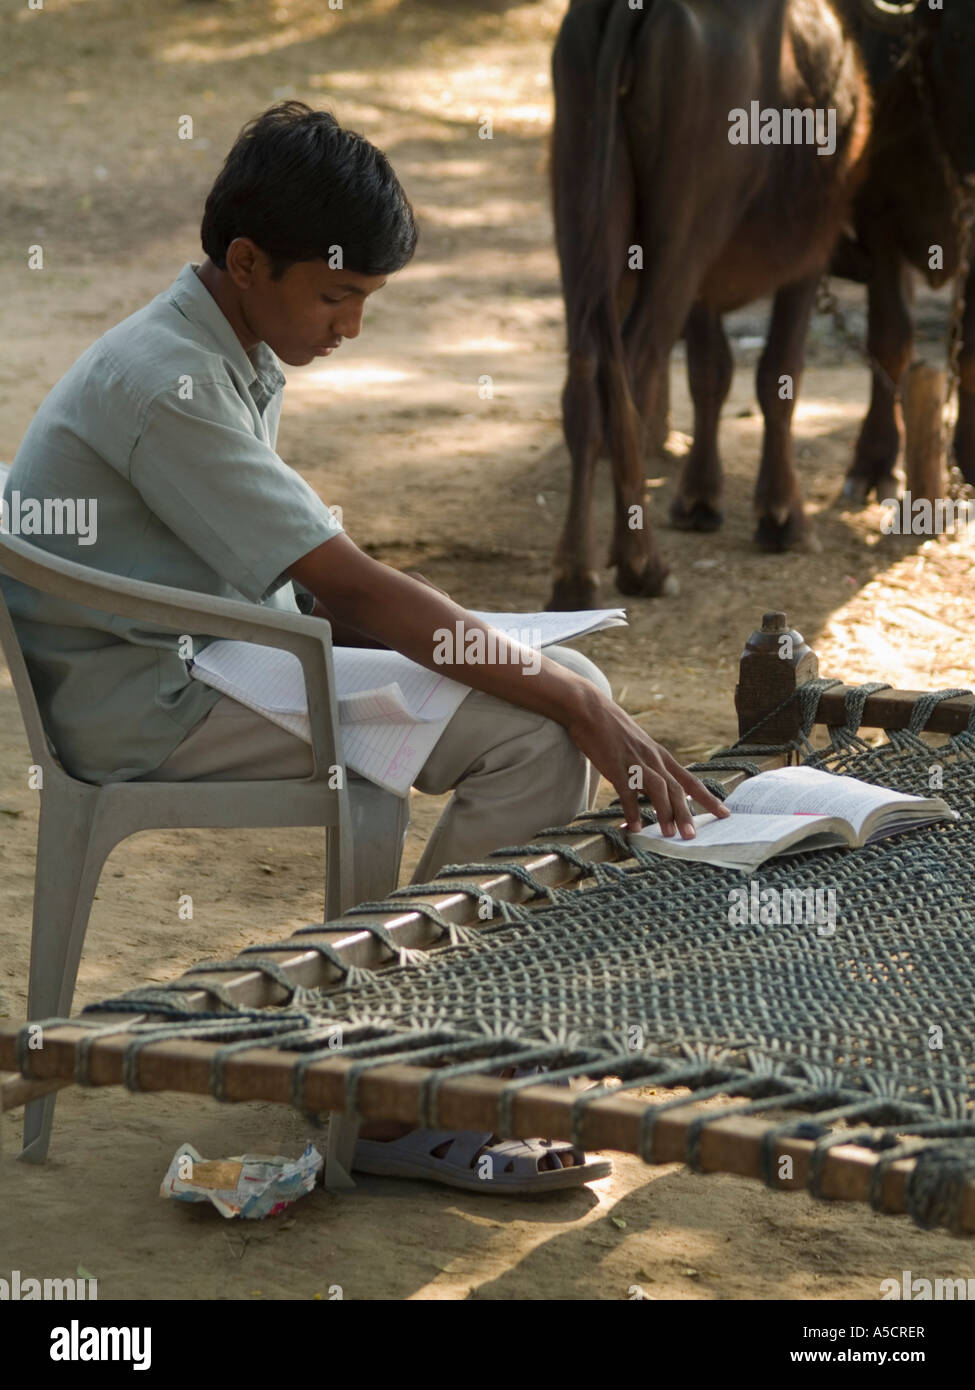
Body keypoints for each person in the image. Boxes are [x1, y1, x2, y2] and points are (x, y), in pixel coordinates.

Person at [1, 102, 728, 1192]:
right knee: (541, 730)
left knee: (562, 685)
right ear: (248, 262)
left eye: (366, 299)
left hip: (204, 658)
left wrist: (549, 677)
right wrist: (573, 707)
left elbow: (317, 585)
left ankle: (411, 1058)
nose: (352, 326)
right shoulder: (175, 383)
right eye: (337, 294)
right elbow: (350, 592)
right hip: (150, 700)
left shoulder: (223, 342)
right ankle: (391, 1092)